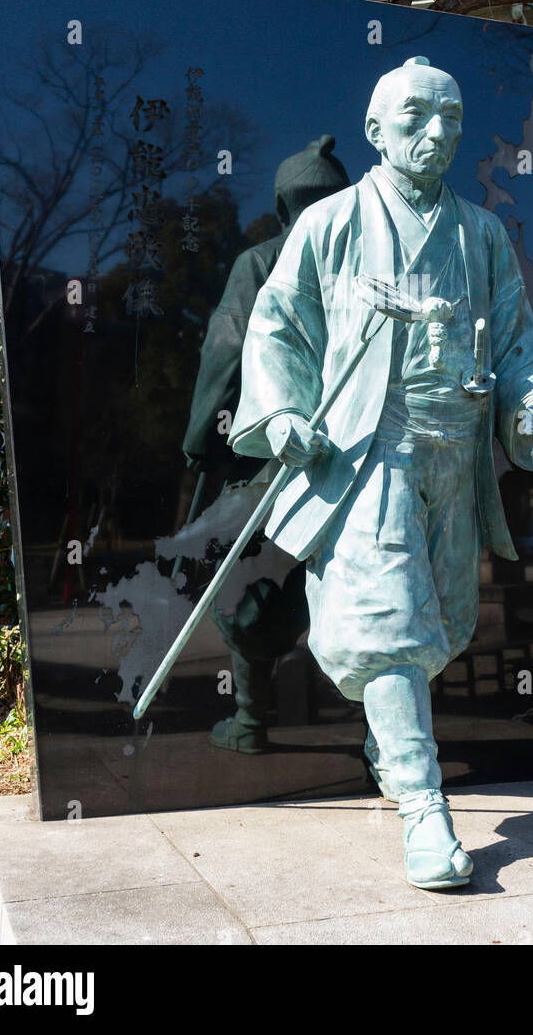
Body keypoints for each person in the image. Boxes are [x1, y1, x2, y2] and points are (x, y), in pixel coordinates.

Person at [229, 58, 533, 889]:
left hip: (453, 455)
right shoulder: (332, 224)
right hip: (365, 448)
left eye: (451, 117)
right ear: (377, 131)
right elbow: (275, 328)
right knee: (386, 618)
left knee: (445, 621)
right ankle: (425, 810)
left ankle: (391, 736)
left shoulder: (480, 233)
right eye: (415, 116)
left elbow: (517, 341)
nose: (438, 132)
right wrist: (280, 414)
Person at [182, 135, 350, 751]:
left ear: (282, 207)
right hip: (360, 464)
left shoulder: (261, 262)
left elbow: (225, 351)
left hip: (276, 463)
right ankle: (380, 742)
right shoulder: (374, 268)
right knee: (360, 594)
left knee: (254, 588)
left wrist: (204, 435)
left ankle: (252, 722)